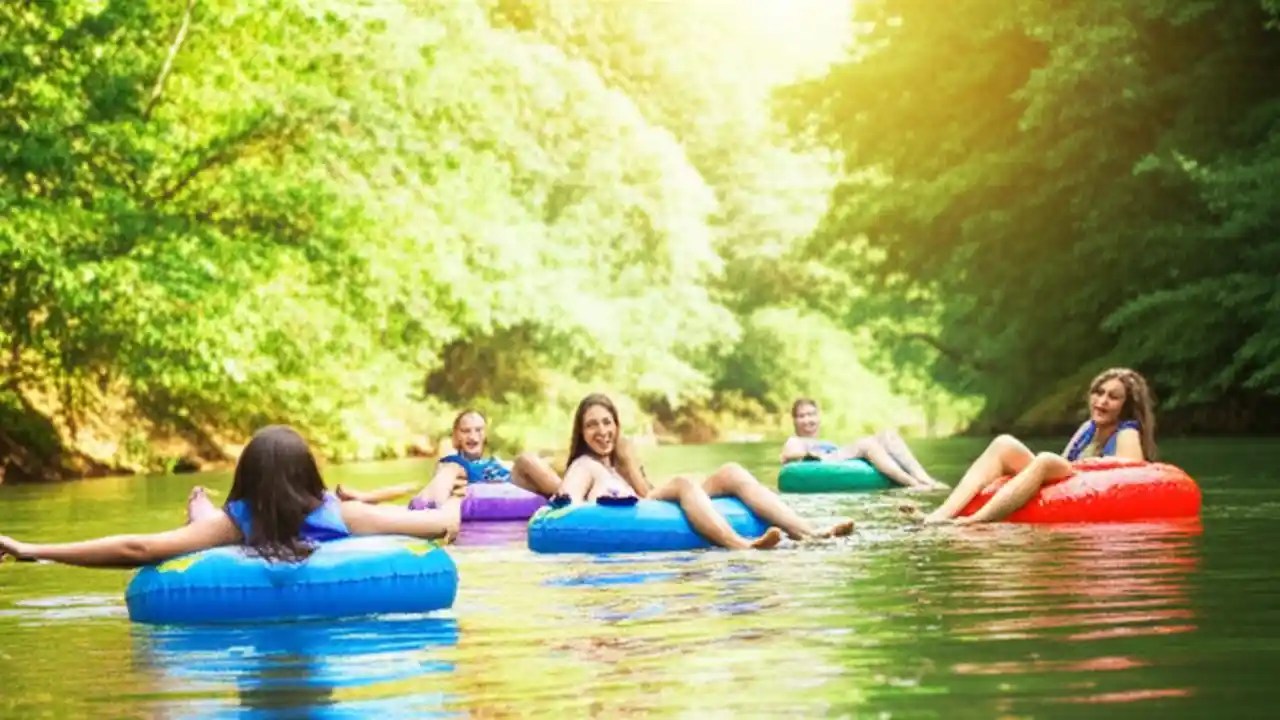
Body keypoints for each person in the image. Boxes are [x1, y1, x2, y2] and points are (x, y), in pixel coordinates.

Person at [0, 425, 459, 567]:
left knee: (207, 526)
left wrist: (32, 548)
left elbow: (137, 548)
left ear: (247, 479)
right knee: (208, 525)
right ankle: (448, 472)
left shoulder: (237, 523)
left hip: (225, 528)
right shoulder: (347, 515)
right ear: (309, 474)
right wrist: (453, 506)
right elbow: (437, 524)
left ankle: (198, 510)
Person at [552, 393, 855, 550]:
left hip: (649, 500)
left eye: (607, 422)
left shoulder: (620, 456)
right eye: (592, 425)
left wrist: (628, 462)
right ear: (581, 432)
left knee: (731, 471)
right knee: (684, 483)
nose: (602, 431)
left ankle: (807, 531)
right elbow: (566, 503)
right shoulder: (585, 465)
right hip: (636, 511)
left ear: (617, 425)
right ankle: (740, 545)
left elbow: (646, 489)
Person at [914, 367, 1157, 525]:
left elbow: (1131, 477)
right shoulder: (1089, 428)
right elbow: (1066, 460)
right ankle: (939, 515)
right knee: (1003, 444)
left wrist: (1087, 466)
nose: (1101, 401)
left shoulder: (1127, 433)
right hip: (1073, 479)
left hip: (1092, 484)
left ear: (1126, 406)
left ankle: (975, 521)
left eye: (1113, 397)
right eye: (1098, 393)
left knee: (1046, 460)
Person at [336, 409, 562, 509]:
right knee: (446, 471)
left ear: (485, 434)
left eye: (478, 430)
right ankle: (366, 498)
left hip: (510, 485)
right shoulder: (454, 463)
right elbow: (416, 487)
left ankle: (570, 499)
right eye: (466, 431)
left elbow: (532, 468)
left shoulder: (498, 462)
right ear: (455, 437)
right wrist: (367, 496)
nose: (473, 436)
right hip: (467, 485)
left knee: (526, 458)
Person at [780, 398, 941, 489]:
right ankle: (913, 484)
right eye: (802, 416)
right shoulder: (795, 440)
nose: (807, 420)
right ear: (794, 420)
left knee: (887, 435)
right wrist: (809, 454)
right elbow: (787, 455)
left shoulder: (825, 442)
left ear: (818, 417)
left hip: (832, 458)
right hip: (820, 461)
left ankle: (925, 478)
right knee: (866, 444)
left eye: (811, 414)